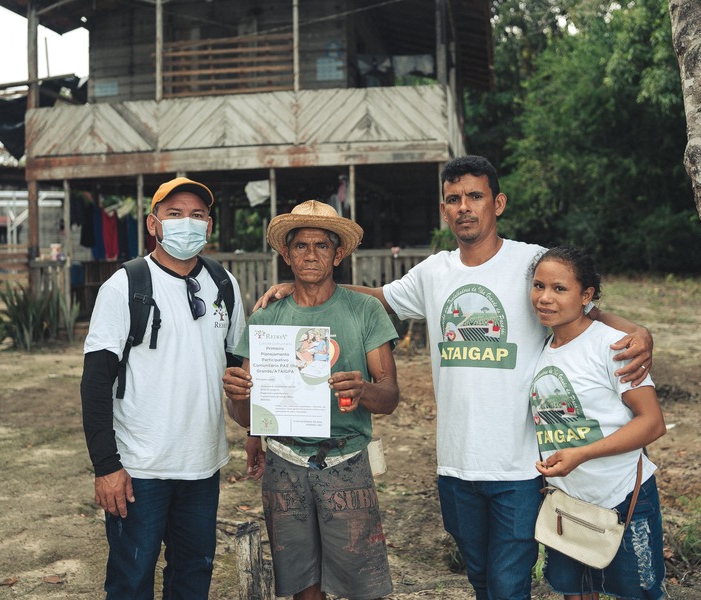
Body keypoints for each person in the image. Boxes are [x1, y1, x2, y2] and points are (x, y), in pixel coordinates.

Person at [255, 156, 653, 599]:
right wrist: (305, 283)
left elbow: (585, 308)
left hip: (520, 465)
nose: (464, 207)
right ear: (444, 209)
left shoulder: (531, 262)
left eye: (475, 197)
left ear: (497, 203)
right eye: (453, 199)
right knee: (480, 580)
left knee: (508, 585)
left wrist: (638, 332)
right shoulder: (433, 272)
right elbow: (382, 298)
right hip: (455, 464)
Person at [223, 200, 400, 600]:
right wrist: (237, 397)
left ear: (338, 254)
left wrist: (363, 389)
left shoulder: (365, 311)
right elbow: (248, 415)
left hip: (347, 458)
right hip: (285, 463)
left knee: (361, 586)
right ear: (286, 254)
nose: (311, 254)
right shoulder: (267, 319)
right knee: (303, 583)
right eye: (300, 245)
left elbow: (389, 397)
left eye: (322, 245)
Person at [80, 176, 245, 598]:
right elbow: (95, 384)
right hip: (139, 469)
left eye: (196, 215)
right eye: (174, 215)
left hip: (203, 464)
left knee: (193, 573)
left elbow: (236, 373)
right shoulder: (125, 286)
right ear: (153, 224)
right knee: (131, 580)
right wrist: (106, 466)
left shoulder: (224, 285)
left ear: (209, 226)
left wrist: (255, 427)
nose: (185, 224)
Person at [530, 246, 666, 600]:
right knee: (574, 592)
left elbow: (652, 423)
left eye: (559, 289)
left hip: (622, 498)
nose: (545, 298)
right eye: (538, 286)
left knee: (638, 593)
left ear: (586, 295)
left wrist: (583, 453)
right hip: (567, 500)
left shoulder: (612, 347)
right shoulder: (541, 347)